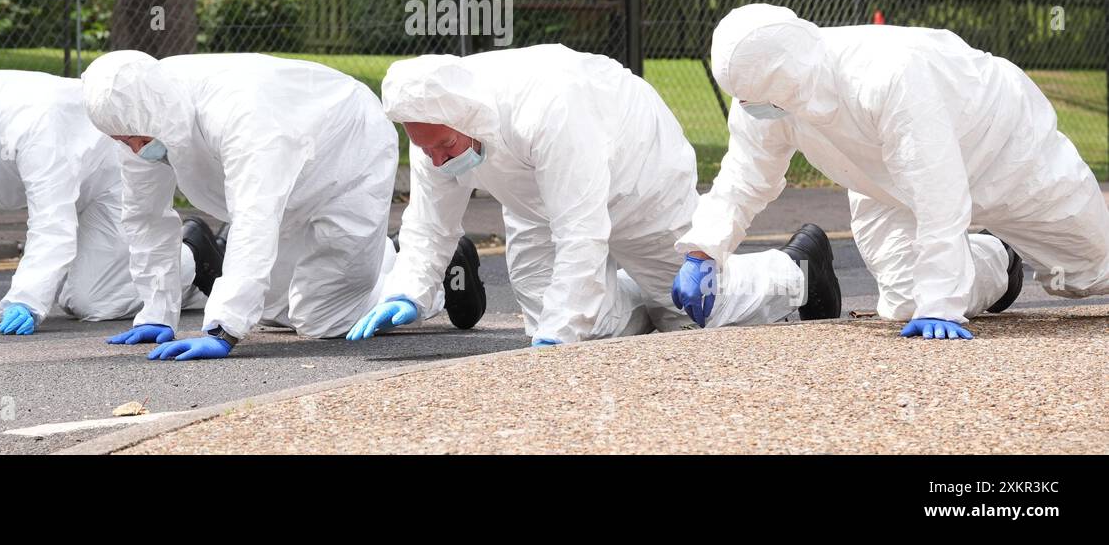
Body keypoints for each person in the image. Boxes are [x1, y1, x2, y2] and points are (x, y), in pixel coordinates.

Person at [349, 45, 841, 347]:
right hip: (536, 198)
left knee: (695, 312)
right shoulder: (433, 120)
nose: (437, 160)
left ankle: (797, 269)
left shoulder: (548, 109)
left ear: (467, 118)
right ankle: (643, 298)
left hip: (640, 177)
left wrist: (565, 328)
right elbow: (432, 222)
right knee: (559, 316)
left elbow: (580, 230)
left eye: (444, 147)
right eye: (426, 149)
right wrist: (408, 290)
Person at [677, 3, 1109, 342]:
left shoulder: (888, 74)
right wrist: (704, 251)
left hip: (1009, 153)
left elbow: (938, 188)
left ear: (788, 79)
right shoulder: (765, 95)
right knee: (905, 301)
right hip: (884, 181)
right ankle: (1001, 261)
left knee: (1089, 273)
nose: (750, 108)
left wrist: (941, 304)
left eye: (755, 98)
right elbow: (744, 177)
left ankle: (978, 264)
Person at [81, 50, 484, 361]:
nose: (134, 149)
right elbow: (144, 216)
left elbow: (255, 217)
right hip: (285, 174)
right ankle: (388, 254)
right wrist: (157, 310)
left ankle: (435, 279)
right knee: (275, 309)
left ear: (153, 115)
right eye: (122, 141)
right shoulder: (138, 109)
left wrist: (222, 332)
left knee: (322, 320)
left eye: (134, 137)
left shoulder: (243, 114)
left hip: (348, 156)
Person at [0, 71, 212, 335]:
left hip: (106, 174)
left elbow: (51, 220)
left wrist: (27, 300)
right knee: (83, 294)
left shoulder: (33, 123)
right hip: (64, 180)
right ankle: (193, 289)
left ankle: (195, 254)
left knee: (88, 302)